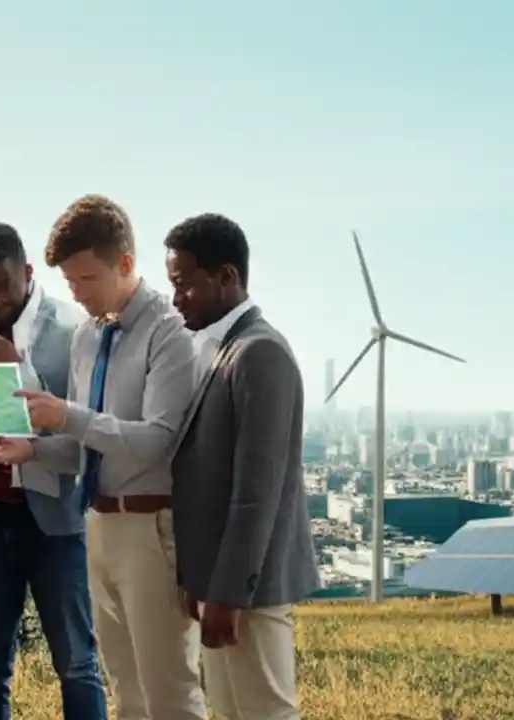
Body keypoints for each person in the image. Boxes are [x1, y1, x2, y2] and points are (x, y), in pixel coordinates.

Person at [0, 195, 207, 720]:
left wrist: (64, 416)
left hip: (151, 529)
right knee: (125, 695)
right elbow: (88, 443)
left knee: (169, 694)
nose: (76, 293)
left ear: (127, 264)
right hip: (99, 527)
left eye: (86, 279)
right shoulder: (87, 337)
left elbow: (158, 439)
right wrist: (29, 450)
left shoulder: (170, 333)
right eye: (69, 282)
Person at [0, 222, 106, 720]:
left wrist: (20, 379)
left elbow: (84, 439)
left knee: (77, 663)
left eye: (2, 286)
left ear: (28, 273)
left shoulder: (73, 329)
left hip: (53, 519)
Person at [163, 213, 320, 720]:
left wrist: (228, 594)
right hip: (221, 584)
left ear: (227, 278)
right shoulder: (221, 349)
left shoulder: (259, 354)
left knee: (266, 712)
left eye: (184, 284)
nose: (175, 298)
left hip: (249, 589)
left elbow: (257, 492)